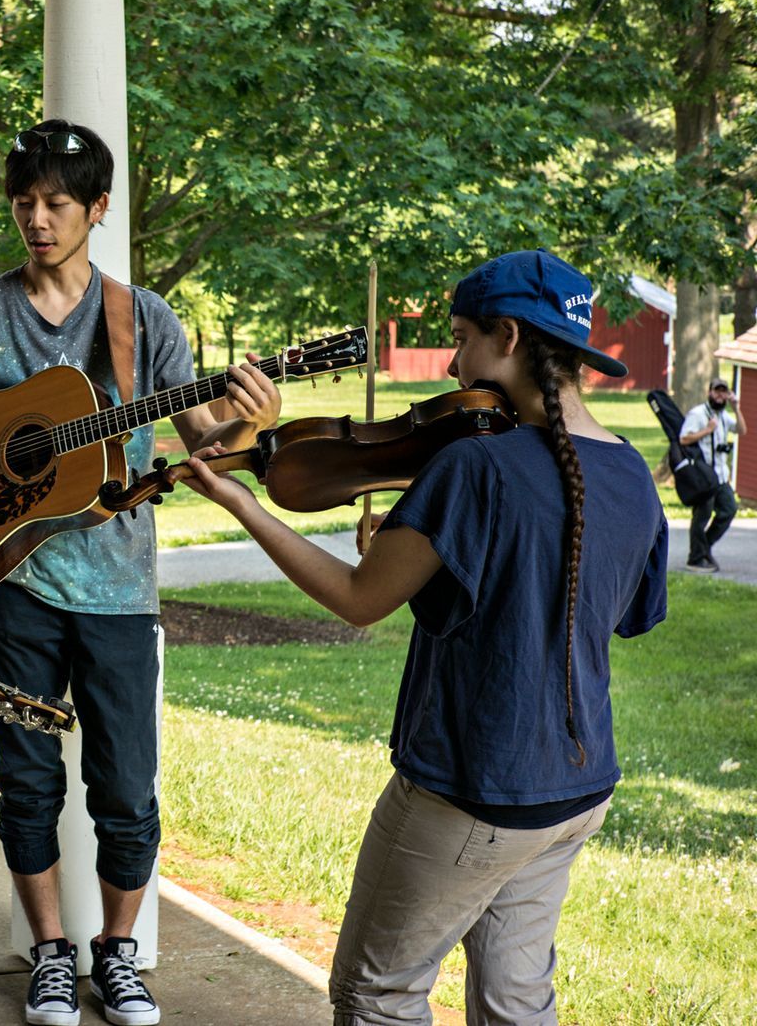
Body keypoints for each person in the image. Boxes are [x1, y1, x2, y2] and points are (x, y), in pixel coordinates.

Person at [0, 119, 281, 1026]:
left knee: (125, 786)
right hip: (11, 585)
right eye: (25, 203)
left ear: (98, 211)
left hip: (119, 589)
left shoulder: (142, 320)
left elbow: (204, 451)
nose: (37, 220)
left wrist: (244, 422)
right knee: (28, 776)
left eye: (57, 204)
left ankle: (118, 955)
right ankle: (49, 951)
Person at [182, 250, 667, 1024]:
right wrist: (439, 557)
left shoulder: (476, 467)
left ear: (506, 337)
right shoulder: (634, 474)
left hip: (473, 790)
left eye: (461, 337)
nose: (450, 360)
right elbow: (592, 608)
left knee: (379, 994)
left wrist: (244, 505)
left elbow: (356, 599)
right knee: (516, 1003)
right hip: (576, 790)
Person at [678, 375, 743, 572]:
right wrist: (707, 430)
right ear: (709, 392)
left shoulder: (724, 415)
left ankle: (703, 548)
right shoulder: (698, 414)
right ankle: (695, 559)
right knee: (702, 517)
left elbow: (741, 429)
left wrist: (736, 407)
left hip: (721, 477)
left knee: (729, 509)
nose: (720, 395)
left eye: (724, 391)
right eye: (717, 390)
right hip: (704, 477)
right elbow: (684, 439)